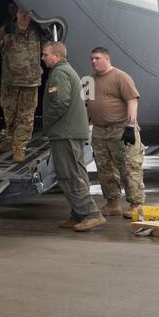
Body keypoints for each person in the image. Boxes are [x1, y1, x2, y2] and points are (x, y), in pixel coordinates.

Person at [41, 41, 104, 231]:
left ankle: (91, 214)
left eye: (45, 54)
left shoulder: (59, 73)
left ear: (56, 56)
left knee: (69, 174)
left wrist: (47, 121)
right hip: (71, 131)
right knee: (76, 171)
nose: (42, 58)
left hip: (65, 132)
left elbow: (60, 102)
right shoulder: (67, 70)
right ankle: (78, 213)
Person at [86, 47, 144, 219]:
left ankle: (135, 206)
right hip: (99, 130)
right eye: (92, 58)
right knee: (105, 169)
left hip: (120, 129)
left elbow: (132, 101)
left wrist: (130, 126)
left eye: (97, 58)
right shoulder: (88, 80)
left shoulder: (120, 77)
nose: (93, 61)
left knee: (129, 167)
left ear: (107, 59)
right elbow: (84, 105)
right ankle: (112, 204)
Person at [0, 6, 45, 162]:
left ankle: (20, 147)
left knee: (26, 115)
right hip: (10, 80)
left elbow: (51, 46)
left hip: (30, 81)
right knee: (9, 112)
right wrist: (4, 30)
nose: (25, 17)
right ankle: (10, 137)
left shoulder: (37, 31)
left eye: (27, 15)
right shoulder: (8, 30)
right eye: (21, 13)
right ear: (16, 14)